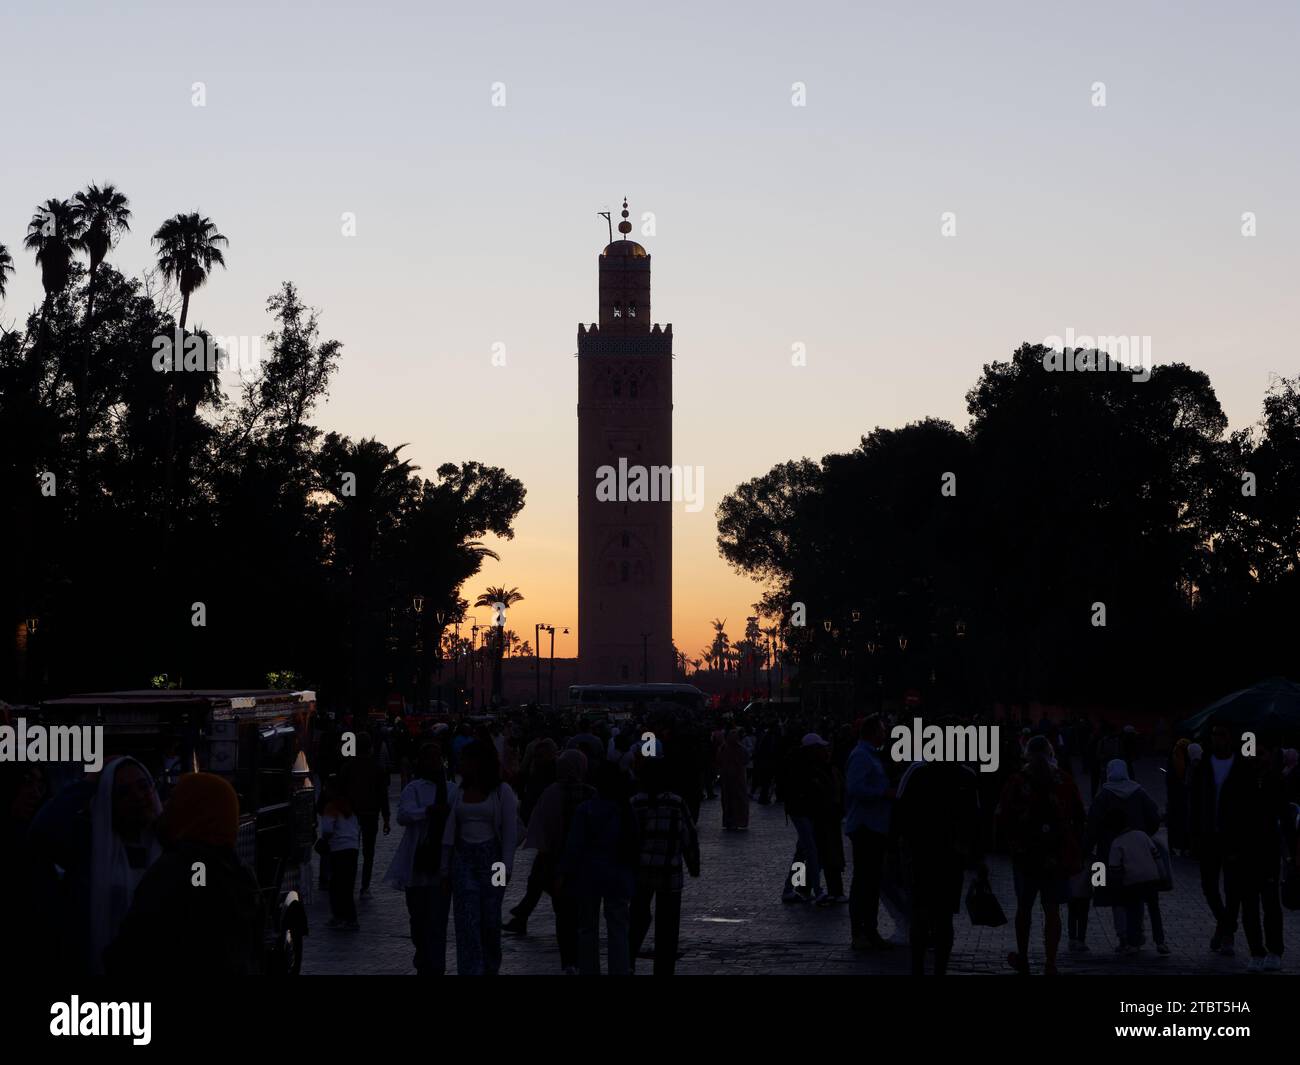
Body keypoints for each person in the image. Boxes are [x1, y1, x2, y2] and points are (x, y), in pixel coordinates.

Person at [105, 772, 264, 974]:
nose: (165, 805)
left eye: (174, 800)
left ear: (193, 810)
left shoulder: (184, 868)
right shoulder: (237, 871)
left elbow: (135, 947)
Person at [997, 736, 1085, 976]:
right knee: (1052, 909)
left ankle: (1023, 957)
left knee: (1024, 908)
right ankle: (1051, 962)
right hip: (1056, 856)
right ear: (1050, 753)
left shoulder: (1018, 781)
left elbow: (1002, 817)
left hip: (1026, 855)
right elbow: (1079, 816)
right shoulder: (1064, 780)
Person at [894, 752, 983, 975]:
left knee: (921, 913)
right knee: (944, 917)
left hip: (921, 853)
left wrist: (901, 846)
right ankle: (940, 969)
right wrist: (976, 857)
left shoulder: (918, 772)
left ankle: (917, 968)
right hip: (951, 857)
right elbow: (975, 820)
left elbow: (900, 811)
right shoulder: (966, 775)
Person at [441, 740, 518, 975]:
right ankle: (471, 970)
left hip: (493, 862)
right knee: (467, 922)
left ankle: (490, 966)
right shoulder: (459, 792)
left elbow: (510, 831)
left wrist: (506, 866)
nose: (461, 763)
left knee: (490, 921)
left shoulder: (501, 791)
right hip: (463, 859)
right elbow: (449, 830)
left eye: (465, 759)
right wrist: (445, 866)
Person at [559, 761, 637, 975]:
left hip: (589, 874)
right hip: (618, 873)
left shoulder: (586, 810)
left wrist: (565, 871)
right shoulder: (626, 810)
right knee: (619, 927)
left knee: (587, 928)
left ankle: (589, 970)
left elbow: (574, 845)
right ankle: (620, 969)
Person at [520, 749, 594, 971]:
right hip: (586, 866)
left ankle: (568, 962)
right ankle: (586, 961)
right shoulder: (591, 793)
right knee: (585, 918)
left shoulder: (551, 793)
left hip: (556, 863)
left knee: (563, 915)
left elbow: (539, 831)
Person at [385, 742, 456, 975]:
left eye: (437, 758)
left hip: (441, 864)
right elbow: (403, 816)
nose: (434, 763)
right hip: (416, 864)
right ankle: (423, 958)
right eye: (430, 758)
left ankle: (435, 966)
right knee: (418, 921)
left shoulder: (452, 789)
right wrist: (428, 812)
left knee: (438, 922)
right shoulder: (413, 789)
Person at [628, 746, 700, 975]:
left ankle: (628, 958)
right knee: (668, 924)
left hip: (641, 870)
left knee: (638, 916)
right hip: (670, 871)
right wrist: (693, 864)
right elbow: (688, 835)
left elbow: (628, 837)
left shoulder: (635, 803)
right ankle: (664, 968)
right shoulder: (676, 802)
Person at [1086, 759, 1160, 948]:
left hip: (1110, 852)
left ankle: (1123, 935)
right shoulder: (1139, 792)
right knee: (1137, 896)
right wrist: (1145, 835)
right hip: (1138, 852)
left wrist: (1087, 849)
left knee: (1117, 897)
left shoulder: (1104, 796)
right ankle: (1138, 933)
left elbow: (1092, 825)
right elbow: (1154, 816)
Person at [1190, 722, 1250, 955]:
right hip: (1207, 835)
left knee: (1232, 888)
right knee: (1208, 885)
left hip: (1232, 836)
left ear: (1230, 738)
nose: (1217, 739)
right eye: (1214, 735)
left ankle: (1226, 933)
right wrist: (1192, 833)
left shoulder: (1241, 767)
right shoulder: (1203, 765)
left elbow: (1247, 807)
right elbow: (1194, 802)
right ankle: (1226, 924)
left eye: (1222, 735)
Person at [844, 716, 894, 950]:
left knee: (871, 881)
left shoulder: (871, 754)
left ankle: (870, 929)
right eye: (882, 730)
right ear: (873, 732)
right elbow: (855, 787)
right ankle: (860, 931)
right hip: (866, 825)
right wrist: (882, 792)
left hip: (875, 824)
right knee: (864, 881)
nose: (885, 734)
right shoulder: (862, 756)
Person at [1104, 806, 1167, 956]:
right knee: (1154, 910)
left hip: (1132, 881)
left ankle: (1133, 943)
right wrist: (1162, 874)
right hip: (1151, 878)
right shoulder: (1142, 835)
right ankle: (1160, 942)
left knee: (1133, 911)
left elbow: (1115, 869)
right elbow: (1156, 856)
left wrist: (1115, 885)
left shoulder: (1117, 843)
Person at [342, 731, 391, 898]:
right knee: (368, 852)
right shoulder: (377, 768)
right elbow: (382, 795)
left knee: (351, 851)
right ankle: (364, 887)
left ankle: (348, 884)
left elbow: (342, 792)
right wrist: (386, 817)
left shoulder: (348, 766)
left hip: (351, 814)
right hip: (370, 813)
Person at [319, 780, 361, 930]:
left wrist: (323, 841)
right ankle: (351, 917)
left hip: (338, 849)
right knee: (347, 885)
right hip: (352, 848)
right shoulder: (350, 807)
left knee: (336, 885)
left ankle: (339, 916)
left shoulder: (330, 807)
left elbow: (328, 830)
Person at [719, 728, 750, 831]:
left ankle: (730, 821)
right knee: (736, 800)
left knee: (729, 800)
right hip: (736, 778)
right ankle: (737, 821)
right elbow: (746, 760)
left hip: (729, 778)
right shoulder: (740, 748)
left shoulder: (724, 748)